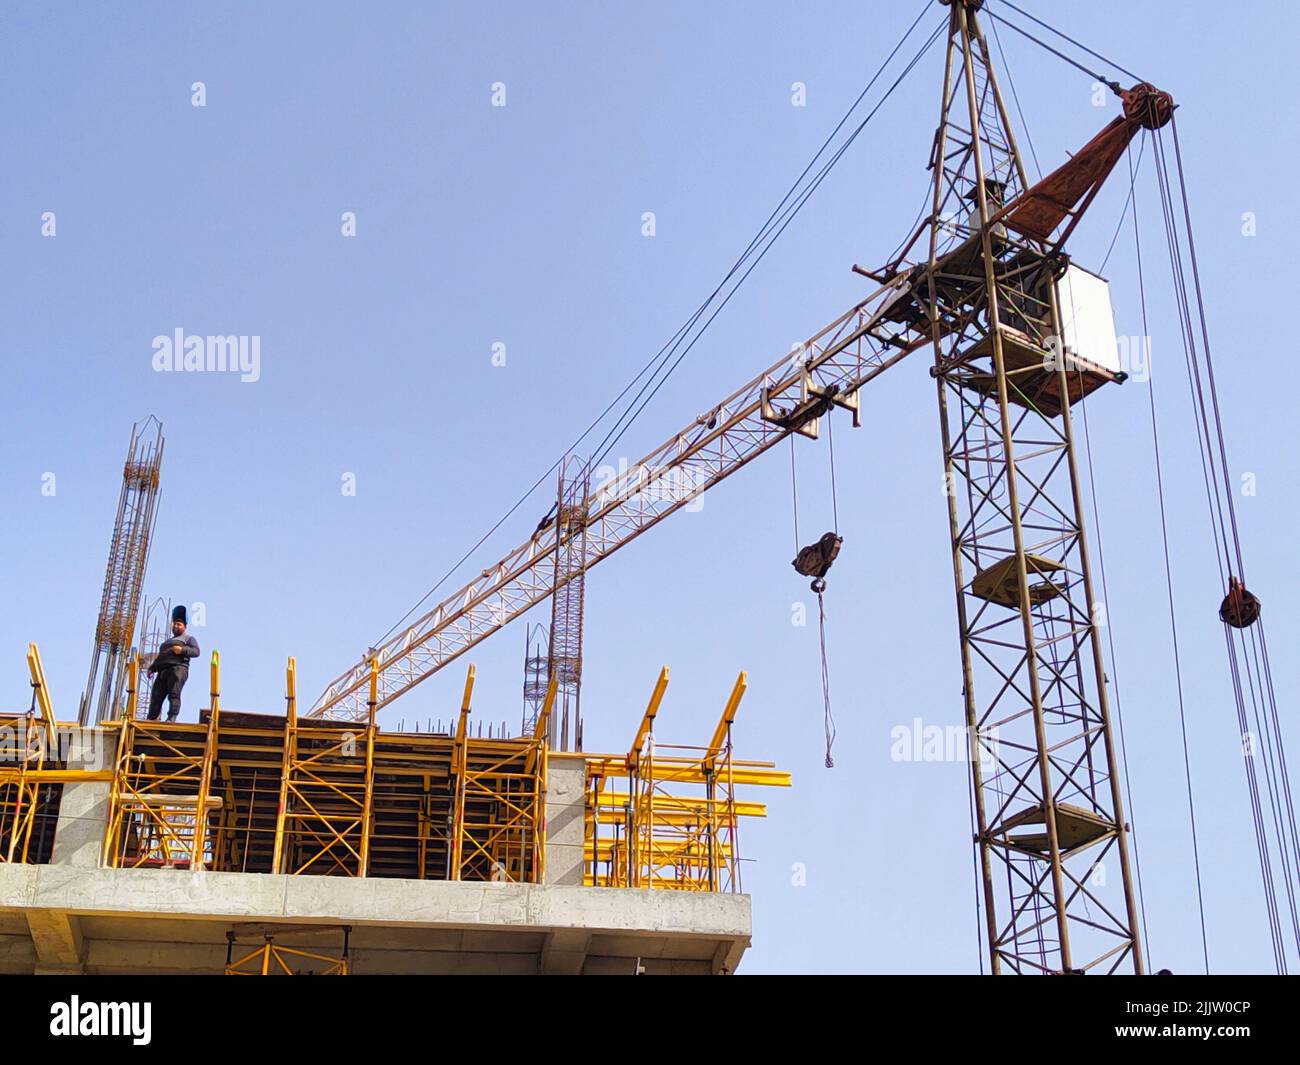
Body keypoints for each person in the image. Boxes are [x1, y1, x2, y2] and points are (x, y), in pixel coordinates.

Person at [146, 606, 200, 721]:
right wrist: (152, 668)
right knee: (156, 696)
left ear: (185, 626)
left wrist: (182, 650)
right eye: (175, 624)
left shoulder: (188, 639)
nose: (176, 626)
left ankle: (172, 717)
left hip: (178, 668)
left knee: (174, 693)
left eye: (179, 624)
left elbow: (196, 652)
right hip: (163, 671)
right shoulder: (166, 643)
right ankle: (151, 718)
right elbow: (160, 658)